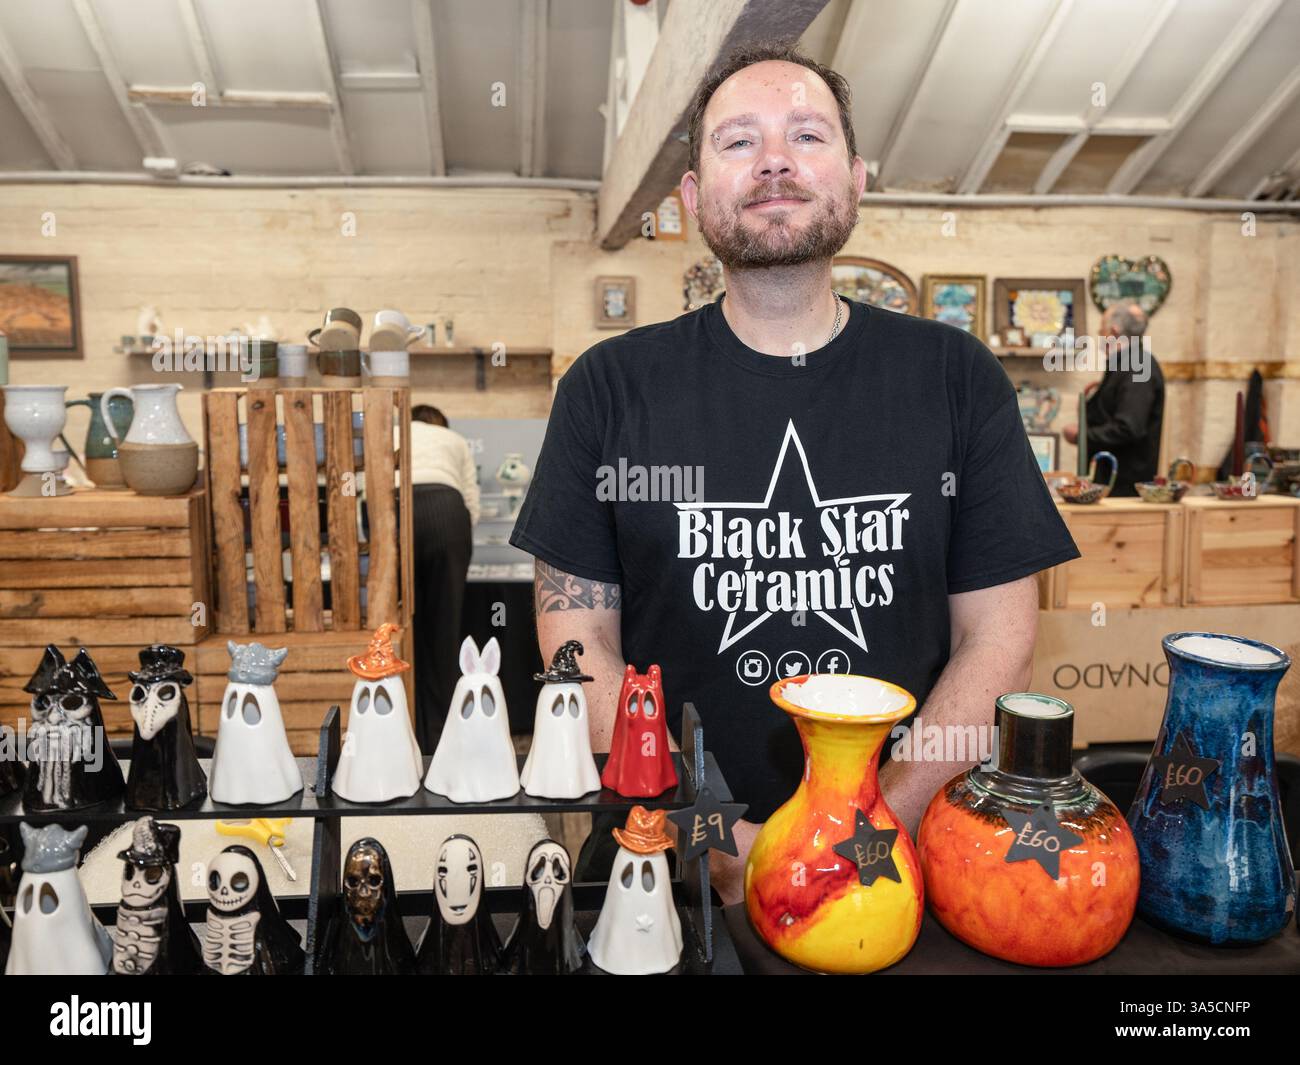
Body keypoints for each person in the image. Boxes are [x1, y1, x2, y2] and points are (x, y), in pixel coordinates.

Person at [509, 44, 1079, 903]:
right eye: (738, 142)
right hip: (666, 867)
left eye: (806, 135)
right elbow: (577, 645)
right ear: (694, 197)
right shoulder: (608, 388)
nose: (774, 159)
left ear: (854, 179)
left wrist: (867, 834)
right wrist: (717, 830)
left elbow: (998, 641)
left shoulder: (959, 378)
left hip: (900, 866)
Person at [406, 404, 480, 750]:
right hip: (447, 512)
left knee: (402, 627)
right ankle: (442, 738)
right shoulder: (454, 439)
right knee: (443, 629)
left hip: (399, 507)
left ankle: (406, 727)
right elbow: (471, 502)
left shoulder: (395, 431)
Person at [1063, 302, 1164, 496]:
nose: (1100, 337)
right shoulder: (1125, 365)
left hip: (1124, 489)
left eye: (1101, 332)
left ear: (1114, 332)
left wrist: (1081, 435)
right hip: (1110, 482)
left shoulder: (1137, 367)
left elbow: (1128, 428)